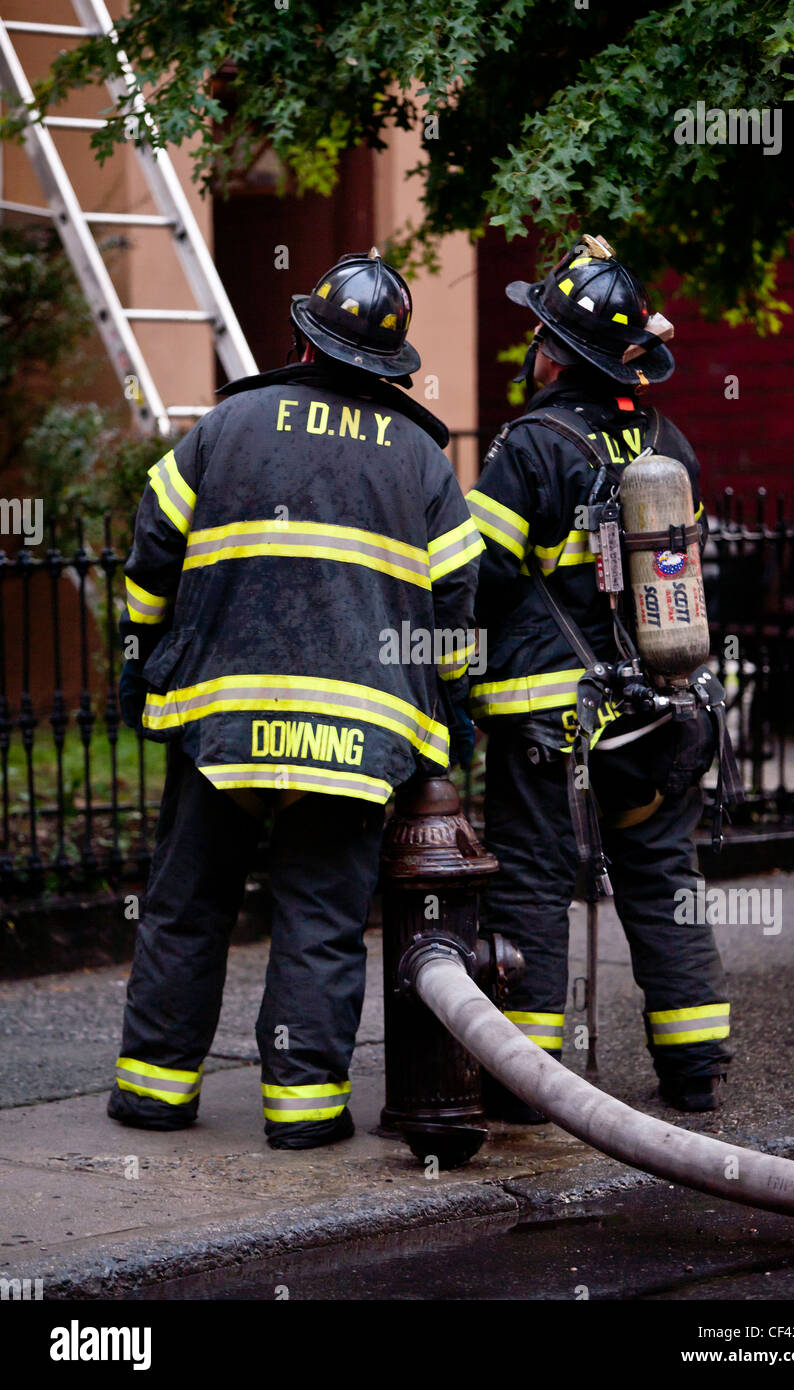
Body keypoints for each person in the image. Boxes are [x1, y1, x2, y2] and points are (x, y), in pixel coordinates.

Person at [110, 250, 483, 1150]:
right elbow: (457, 616)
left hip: (219, 720)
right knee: (319, 917)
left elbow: (153, 554)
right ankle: (305, 1112)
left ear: (304, 342)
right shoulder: (422, 465)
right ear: (390, 364)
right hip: (358, 738)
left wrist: (144, 664)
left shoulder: (227, 425)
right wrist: (452, 721)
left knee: (187, 903)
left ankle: (154, 1096)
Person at [467, 234, 731, 1120]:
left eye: (539, 335)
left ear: (554, 352)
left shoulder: (533, 445)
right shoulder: (670, 440)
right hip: (665, 714)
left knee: (534, 885)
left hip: (553, 717)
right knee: (663, 876)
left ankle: (528, 1086)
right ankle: (695, 1068)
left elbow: (481, 574)